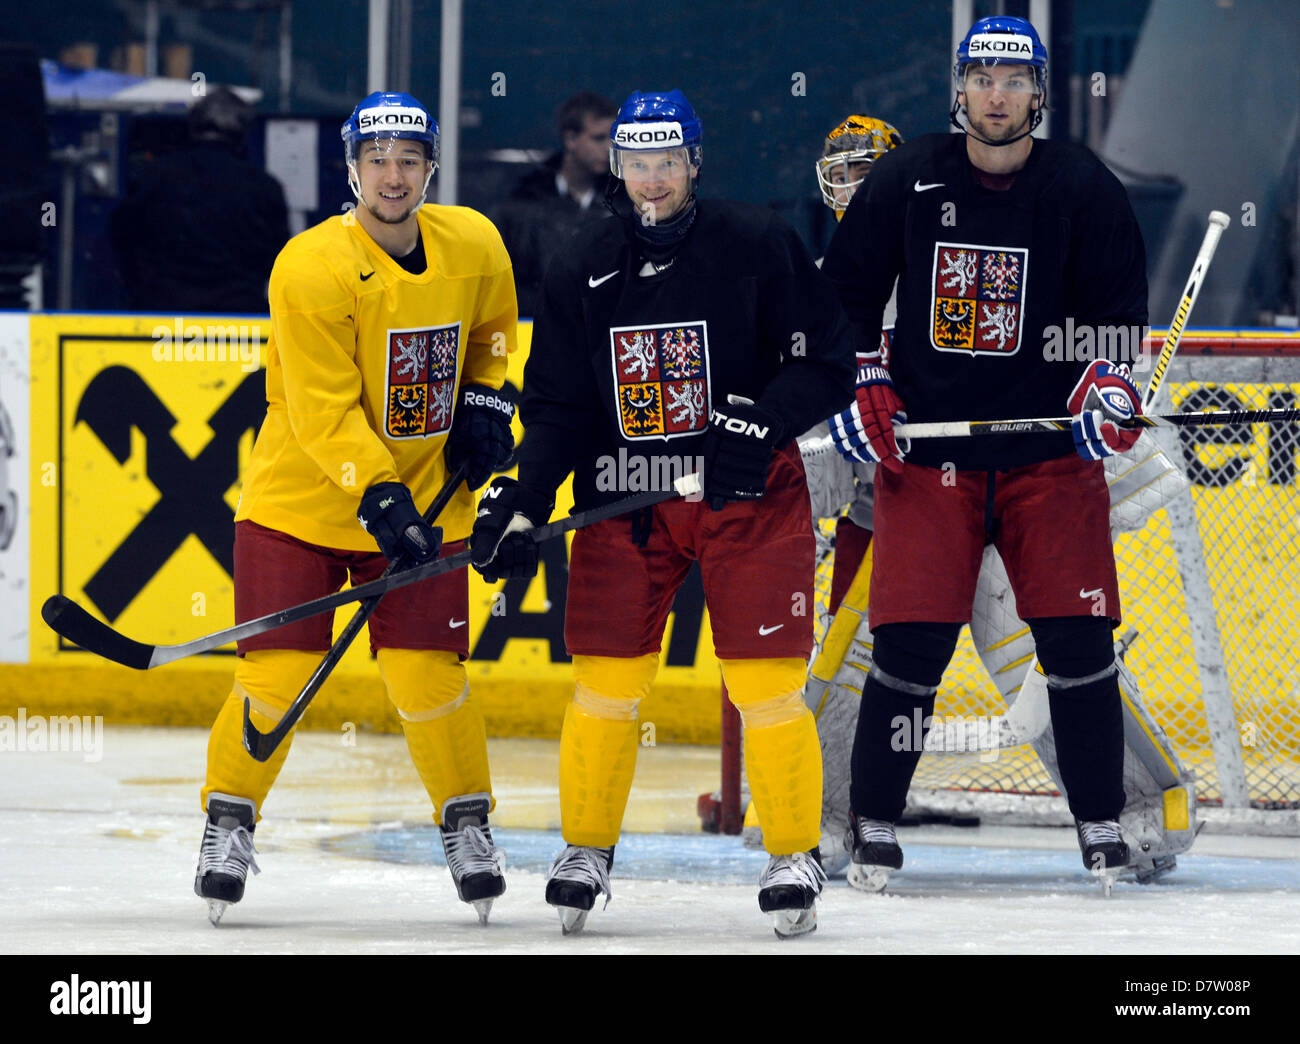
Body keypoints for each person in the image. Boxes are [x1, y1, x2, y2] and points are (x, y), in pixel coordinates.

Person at [470, 89, 856, 937]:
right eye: (636, 163)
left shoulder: (758, 242)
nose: (652, 180)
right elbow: (561, 406)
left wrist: (761, 418)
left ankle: (793, 852)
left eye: (667, 162)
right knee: (605, 686)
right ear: (618, 167)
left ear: (694, 163)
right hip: (625, 500)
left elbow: (828, 363)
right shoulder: (581, 262)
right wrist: (524, 496)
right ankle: (586, 851)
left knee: (765, 686)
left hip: (747, 497)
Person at [820, 15, 1153, 889]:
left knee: (1080, 645)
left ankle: (1100, 823)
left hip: (1048, 457)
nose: (996, 95)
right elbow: (844, 298)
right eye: (982, 78)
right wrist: (863, 379)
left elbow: (1115, 320)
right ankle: (877, 822)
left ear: (1039, 93)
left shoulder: (1083, 185)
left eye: (1013, 80)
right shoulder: (909, 175)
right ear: (958, 89)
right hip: (931, 459)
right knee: (910, 647)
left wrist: (1108, 383)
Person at [193, 91, 518, 926]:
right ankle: (227, 822)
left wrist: (485, 402)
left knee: (426, 676)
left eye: (409, 160)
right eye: (377, 160)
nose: (393, 175)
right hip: (301, 504)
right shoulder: (309, 265)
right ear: (351, 169)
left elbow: (492, 332)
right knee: (274, 676)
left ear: (431, 166)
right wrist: (382, 499)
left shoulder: (474, 241)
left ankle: (467, 824)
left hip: (419, 504)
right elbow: (324, 408)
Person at [110, 86, 289, 314]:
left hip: (161, 314)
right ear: (242, 134)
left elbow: (122, 238)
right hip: (239, 316)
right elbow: (280, 260)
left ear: (192, 127)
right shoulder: (265, 188)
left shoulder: (155, 177)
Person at [490, 91, 617, 318]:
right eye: (598, 138)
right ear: (570, 139)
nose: (609, 148)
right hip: (530, 330)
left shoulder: (623, 203)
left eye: (612, 138)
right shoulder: (521, 203)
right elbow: (498, 283)